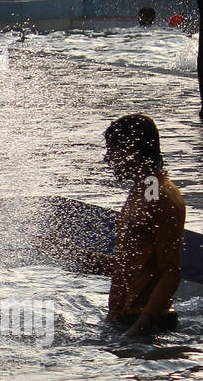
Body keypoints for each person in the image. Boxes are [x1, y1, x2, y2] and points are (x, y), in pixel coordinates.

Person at [40, 114, 185, 342]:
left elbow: (170, 271)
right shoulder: (144, 190)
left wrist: (137, 330)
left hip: (147, 325)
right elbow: (130, 267)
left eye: (113, 150)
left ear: (133, 151)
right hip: (126, 319)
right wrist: (72, 253)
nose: (108, 159)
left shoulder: (159, 196)